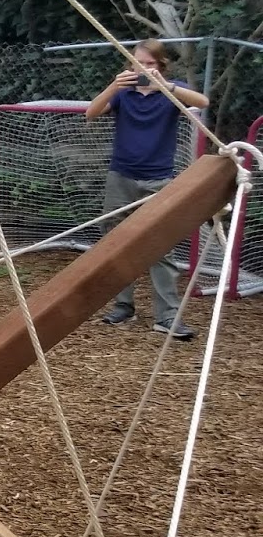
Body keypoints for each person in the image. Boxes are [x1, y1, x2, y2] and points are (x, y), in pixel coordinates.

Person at [84, 39, 209, 341]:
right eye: (138, 62)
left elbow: (202, 102)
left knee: (161, 247)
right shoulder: (123, 92)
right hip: (121, 177)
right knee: (116, 243)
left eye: (150, 64)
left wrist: (166, 86)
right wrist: (114, 86)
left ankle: (167, 317)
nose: (143, 69)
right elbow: (91, 112)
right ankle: (123, 306)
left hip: (158, 180)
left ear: (161, 65)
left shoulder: (170, 92)